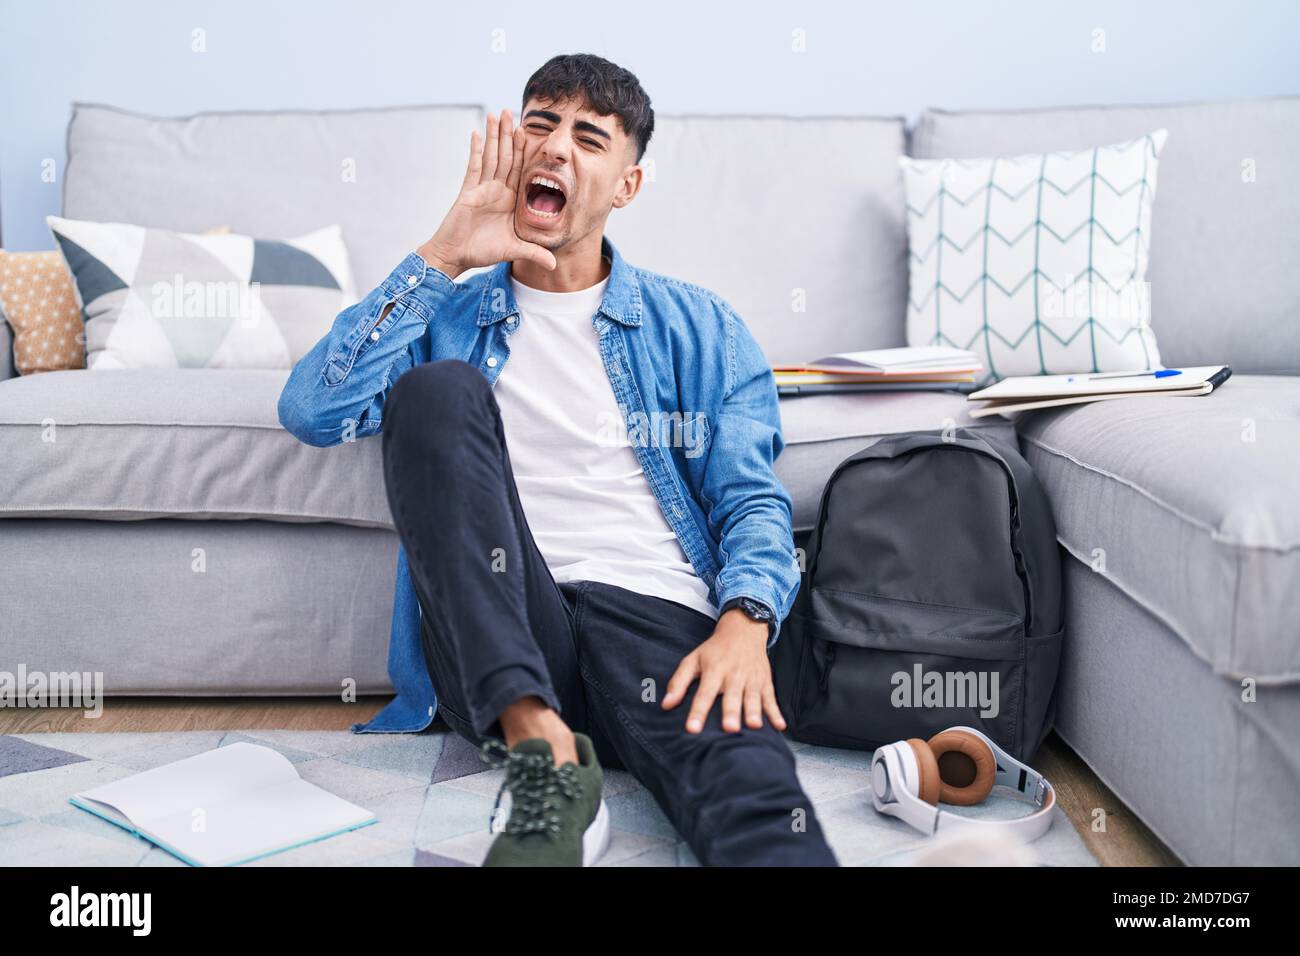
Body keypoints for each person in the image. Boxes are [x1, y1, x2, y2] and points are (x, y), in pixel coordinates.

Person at [278, 53, 836, 867]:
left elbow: (750, 500)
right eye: (539, 124)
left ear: (626, 186)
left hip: (657, 619)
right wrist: (442, 255)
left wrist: (746, 623)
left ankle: (575, 755)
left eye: (588, 136)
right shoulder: (448, 315)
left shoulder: (702, 327)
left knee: (751, 793)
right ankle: (544, 749)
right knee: (436, 390)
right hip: (506, 637)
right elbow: (312, 411)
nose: (555, 148)